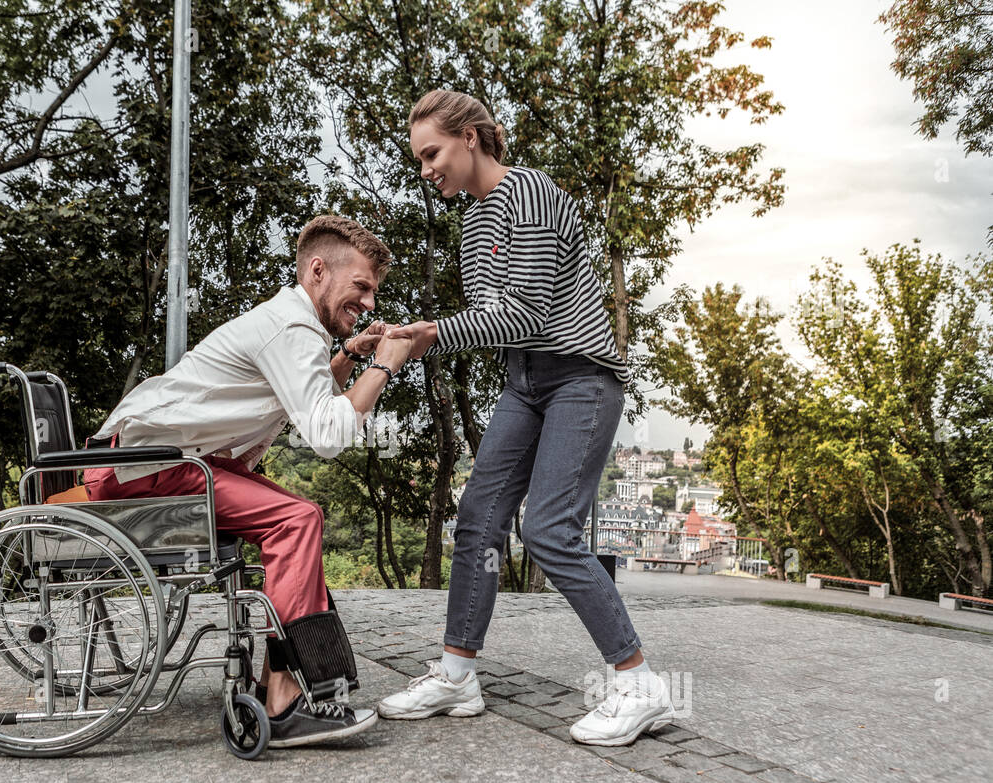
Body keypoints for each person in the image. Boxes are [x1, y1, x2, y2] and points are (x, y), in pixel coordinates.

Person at [377, 90, 676, 746]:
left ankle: (638, 683)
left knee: (547, 529)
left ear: (471, 138)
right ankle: (458, 674)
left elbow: (530, 313)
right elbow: (494, 318)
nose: (426, 169)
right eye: (419, 160)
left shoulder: (532, 193)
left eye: (432, 153)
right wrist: (426, 331)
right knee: (478, 520)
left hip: (580, 380)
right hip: (525, 382)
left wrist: (428, 335)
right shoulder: (472, 225)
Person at [84, 215, 413, 748]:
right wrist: (385, 366)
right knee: (297, 520)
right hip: (145, 467)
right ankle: (280, 703)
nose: (369, 303)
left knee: (300, 517)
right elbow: (327, 432)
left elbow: (306, 394)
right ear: (317, 270)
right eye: (361, 287)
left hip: (161, 459)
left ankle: (285, 685)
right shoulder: (292, 328)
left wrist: (353, 355)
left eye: (374, 292)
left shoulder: (291, 321)